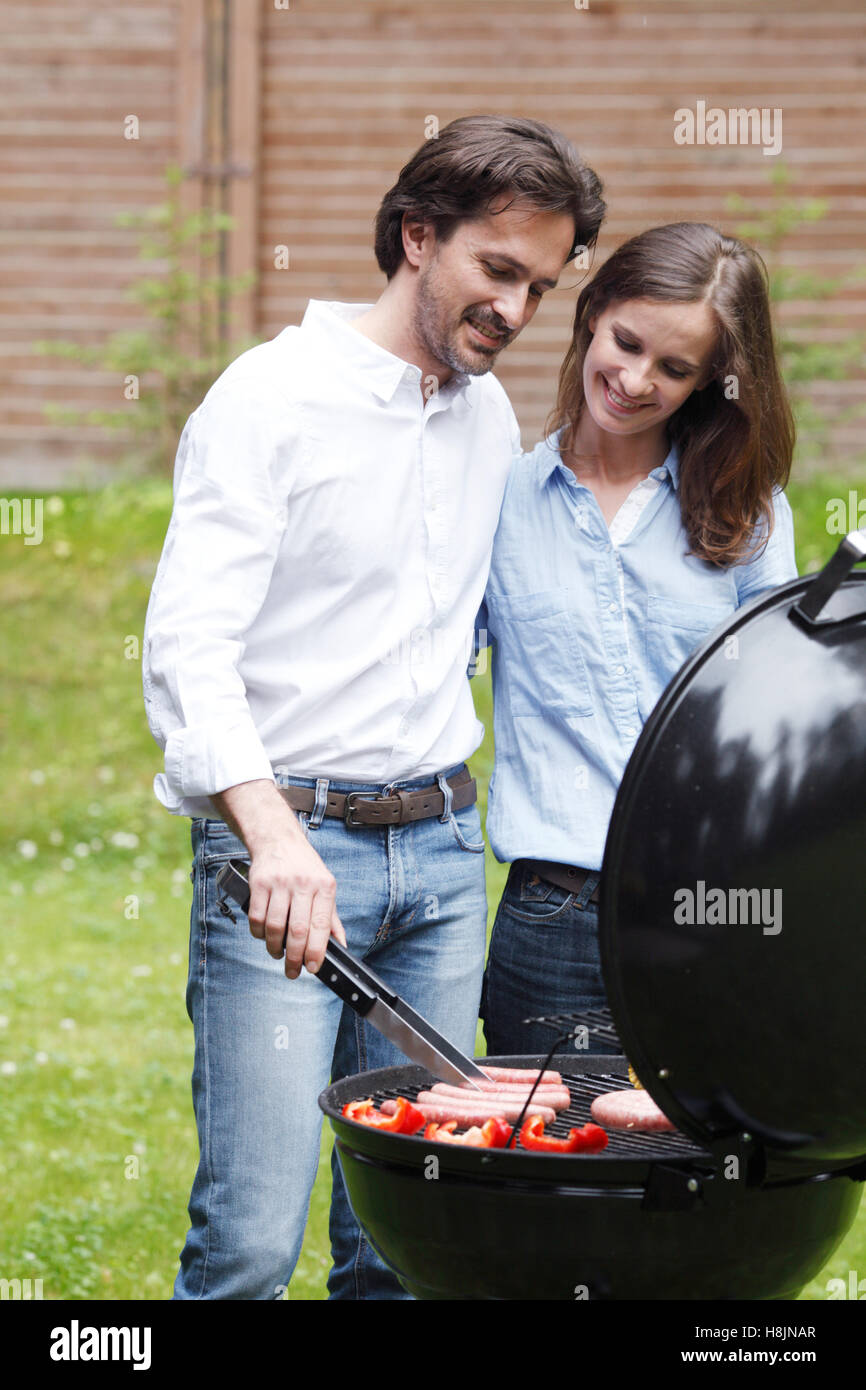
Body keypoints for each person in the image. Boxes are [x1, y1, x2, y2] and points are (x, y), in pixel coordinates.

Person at [141, 114, 605, 1300]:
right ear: (415, 238)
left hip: (444, 863)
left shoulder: (484, 417)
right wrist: (275, 835)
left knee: (398, 1246)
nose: (514, 308)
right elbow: (189, 645)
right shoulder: (270, 398)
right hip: (293, 864)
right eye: (496, 269)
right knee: (249, 1241)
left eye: (540, 287)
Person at [478, 222, 798, 1058]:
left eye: (675, 368)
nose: (634, 380)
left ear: (709, 384)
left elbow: (785, 718)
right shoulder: (502, 499)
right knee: (554, 1185)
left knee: (707, 1181)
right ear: (592, 314)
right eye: (626, 343)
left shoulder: (749, 515)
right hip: (553, 919)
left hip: (715, 910)